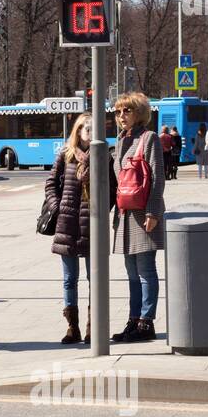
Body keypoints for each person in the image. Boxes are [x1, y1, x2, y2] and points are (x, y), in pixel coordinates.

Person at [46, 113, 115, 345]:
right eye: (84, 127)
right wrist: (58, 206)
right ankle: (72, 327)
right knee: (69, 279)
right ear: (77, 131)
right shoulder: (66, 155)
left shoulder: (104, 156)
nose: (88, 130)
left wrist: (101, 211)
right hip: (67, 224)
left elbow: (112, 190)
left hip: (92, 225)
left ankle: (92, 327)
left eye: (92, 127)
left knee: (94, 277)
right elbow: (50, 183)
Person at [111, 92, 165, 343]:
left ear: (139, 113)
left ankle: (146, 322)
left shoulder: (149, 138)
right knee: (131, 273)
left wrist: (154, 211)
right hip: (124, 215)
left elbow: (157, 178)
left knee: (145, 271)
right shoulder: (121, 140)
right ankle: (133, 320)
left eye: (127, 111)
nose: (121, 116)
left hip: (144, 214)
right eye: (118, 111)